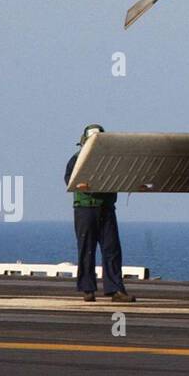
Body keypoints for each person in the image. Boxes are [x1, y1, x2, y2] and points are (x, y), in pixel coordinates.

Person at [64, 124, 134, 303]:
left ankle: (115, 289)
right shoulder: (76, 160)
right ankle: (88, 289)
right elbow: (69, 180)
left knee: (112, 249)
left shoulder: (112, 161)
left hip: (106, 208)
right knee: (86, 250)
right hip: (85, 209)